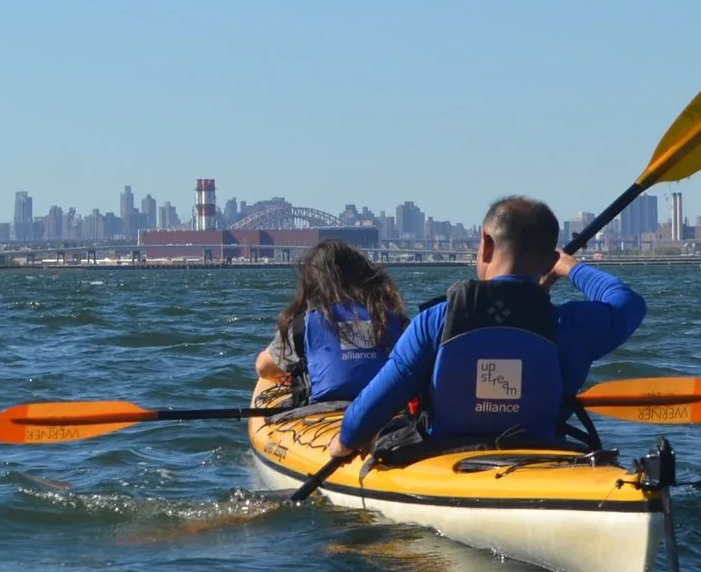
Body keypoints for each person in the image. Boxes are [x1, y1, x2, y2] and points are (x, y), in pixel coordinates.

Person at [330, 195, 645, 458]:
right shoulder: (571, 324)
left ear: (486, 244)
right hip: (540, 454)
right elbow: (627, 302)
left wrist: (344, 443)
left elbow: (370, 409)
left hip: (445, 458)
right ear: (548, 262)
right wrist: (568, 267)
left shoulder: (435, 321)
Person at [254, 240, 408, 407]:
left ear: (313, 280)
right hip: (387, 410)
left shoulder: (303, 324)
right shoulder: (394, 319)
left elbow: (263, 367)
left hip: (325, 413)